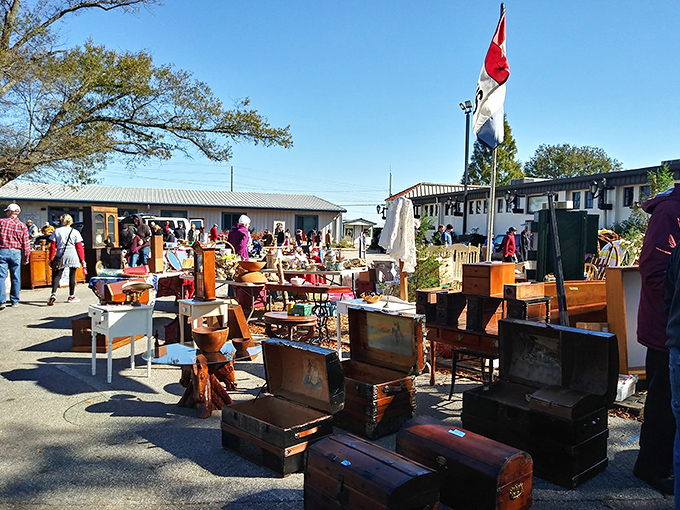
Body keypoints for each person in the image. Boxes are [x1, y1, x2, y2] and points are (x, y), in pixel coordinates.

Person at [634, 183, 680, 496]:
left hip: (669, 326)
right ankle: (651, 468)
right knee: (663, 404)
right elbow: (653, 270)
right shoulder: (669, 211)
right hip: (665, 330)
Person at [47, 214, 86, 305]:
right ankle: (71, 296)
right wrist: (82, 259)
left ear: (61, 221)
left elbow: (52, 246)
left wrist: (51, 258)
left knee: (57, 274)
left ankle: (53, 293)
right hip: (73, 253)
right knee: (72, 275)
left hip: (61, 253)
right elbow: (79, 247)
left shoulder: (57, 231)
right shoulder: (75, 232)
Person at [0, 203, 30, 309]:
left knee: (1, 276)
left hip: (2, 250)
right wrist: (26, 257)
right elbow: (26, 244)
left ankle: (1, 300)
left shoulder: (2, 222)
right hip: (16, 252)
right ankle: (15, 300)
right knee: (16, 277)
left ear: (9, 212)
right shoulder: (23, 226)